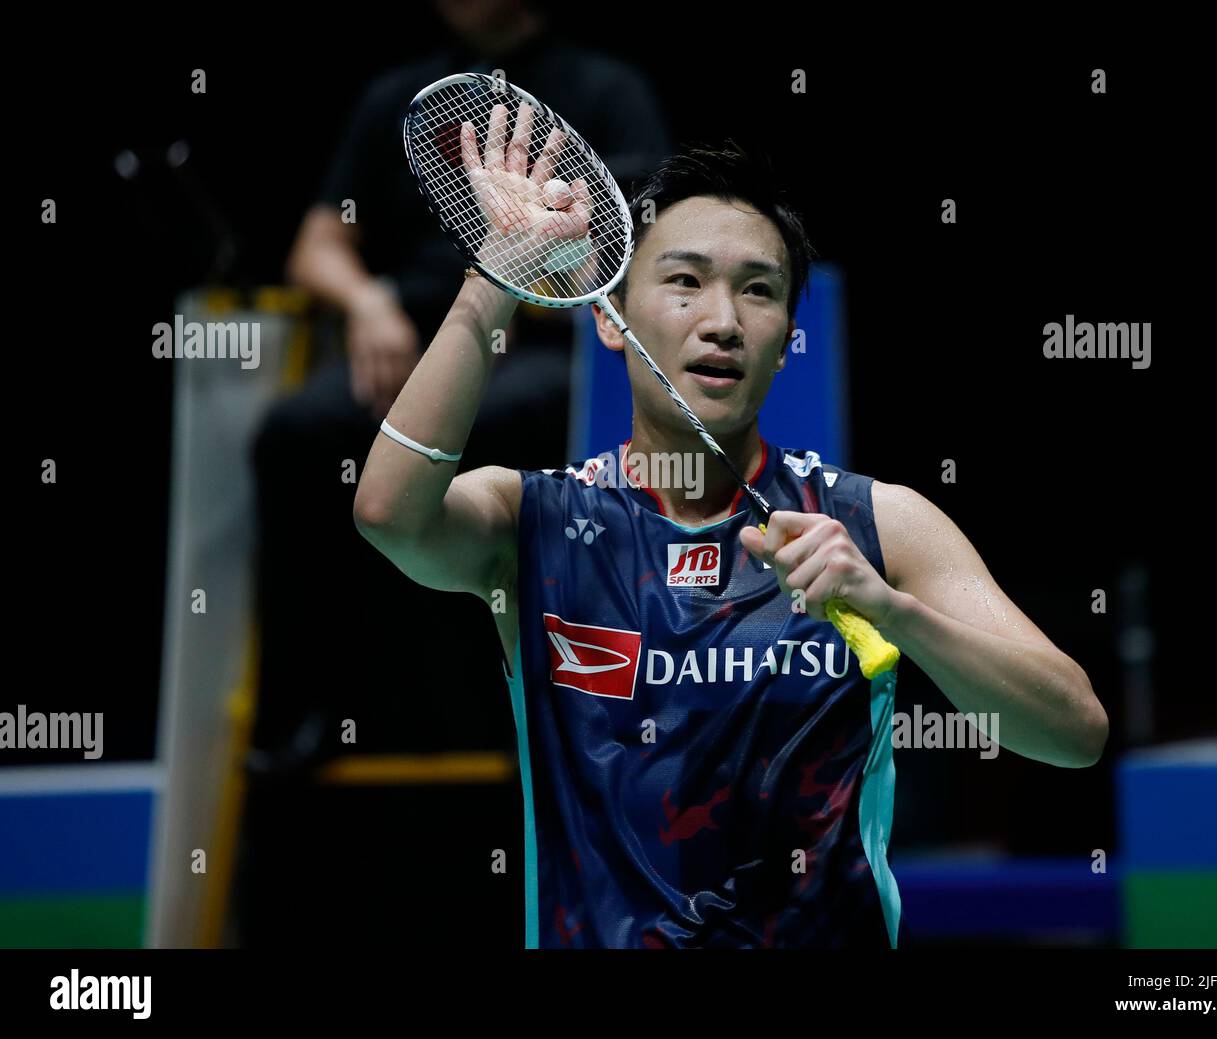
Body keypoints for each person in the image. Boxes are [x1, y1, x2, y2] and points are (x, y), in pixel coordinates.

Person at [353, 135, 1109, 948]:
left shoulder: (874, 527)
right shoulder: (537, 524)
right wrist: (494, 277)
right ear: (610, 318)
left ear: (787, 339)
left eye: (758, 291)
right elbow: (391, 512)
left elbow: (1074, 732)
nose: (722, 321)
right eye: (683, 281)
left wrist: (894, 611)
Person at [250, 0, 670, 764]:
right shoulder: (401, 95)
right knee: (295, 432)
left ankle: (520, 701)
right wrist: (365, 300)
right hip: (407, 336)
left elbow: (635, 249)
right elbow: (317, 246)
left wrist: (537, 266)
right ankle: (309, 709)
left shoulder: (607, 90)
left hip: (543, 339)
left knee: (508, 427)